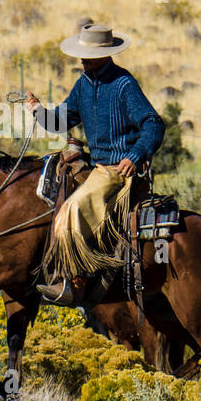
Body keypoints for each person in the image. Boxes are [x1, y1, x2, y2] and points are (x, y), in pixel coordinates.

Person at [24, 23, 164, 306]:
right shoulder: (83, 85)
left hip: (117, 170)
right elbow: (61, 122)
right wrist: (38, 110)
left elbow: (153, 124)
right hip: (98, 167)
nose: (82, 60)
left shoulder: (124, 85)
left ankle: (74, 280)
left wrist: (134, 156)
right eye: (82, 55)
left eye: (87, 56)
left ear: (104, 55)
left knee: (73, 208)